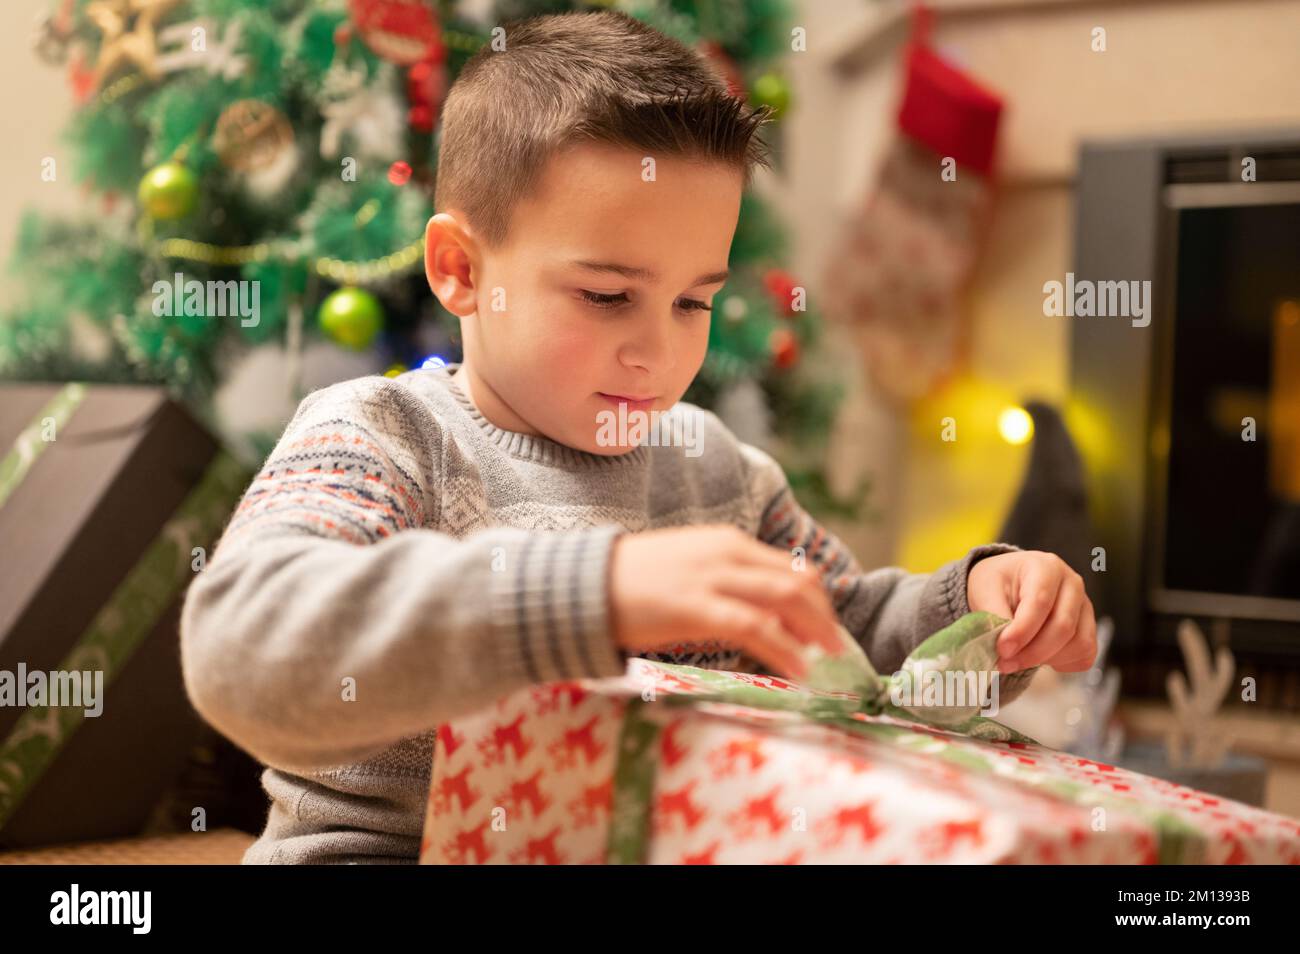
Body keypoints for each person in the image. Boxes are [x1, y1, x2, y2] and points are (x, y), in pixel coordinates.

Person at [180, 10, 1096, 865]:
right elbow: (239, 644)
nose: (658, 352)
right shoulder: (385, 437)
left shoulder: (717, 469)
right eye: (607, 296)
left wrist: (975, 610)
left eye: (695, 301)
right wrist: (595, 593)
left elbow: (846, 631)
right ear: (461, 270)